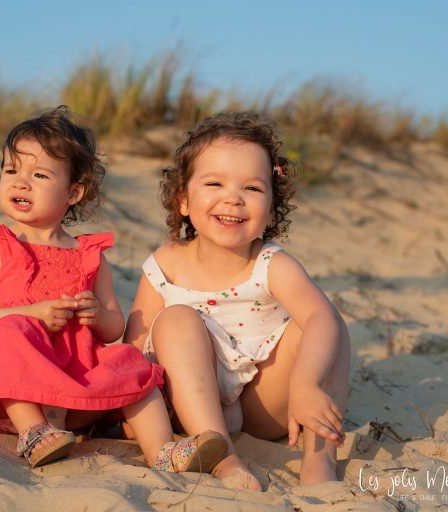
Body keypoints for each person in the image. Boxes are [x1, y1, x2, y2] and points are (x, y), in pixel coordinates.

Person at [0, 106, 228, 473]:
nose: (20, 182)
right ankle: (34, 433)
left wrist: (97, 315)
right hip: (3, 392)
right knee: (7, 333)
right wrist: (30, 314)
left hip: (70, 387)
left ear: (73, 192)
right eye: (11, 170)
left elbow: (114, 327)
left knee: (128, 360)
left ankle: (163, 451)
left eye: (39, 175)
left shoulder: (89, 256)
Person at [123, 111, 351, 488]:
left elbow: (319, 319)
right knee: (176, 319)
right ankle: (223, 458)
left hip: (262, 404)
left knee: (327, 323)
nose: (233, 198)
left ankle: (319, 459)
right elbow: (132, 351)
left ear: (271, 209)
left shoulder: (272, 264)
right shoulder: (165, 265)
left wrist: (305, 382)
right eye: (215, 183)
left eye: (253, 188)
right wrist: (133, 413)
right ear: (183, 200)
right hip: (187, 403)